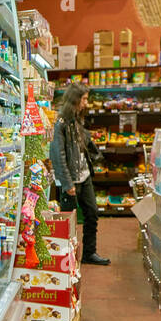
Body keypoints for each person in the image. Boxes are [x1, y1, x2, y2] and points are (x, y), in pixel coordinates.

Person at [48, 82, 109, 265]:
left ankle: (89, 253)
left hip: (84, 175)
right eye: (83, 99)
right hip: (72, 180)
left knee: (92, 213)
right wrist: (67, 184)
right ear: (75, 99)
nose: (86, 103)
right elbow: (58, 155)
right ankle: (66, 258)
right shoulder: (61, 123)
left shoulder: (76, 119)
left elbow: (81, 141)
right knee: (68, 222)